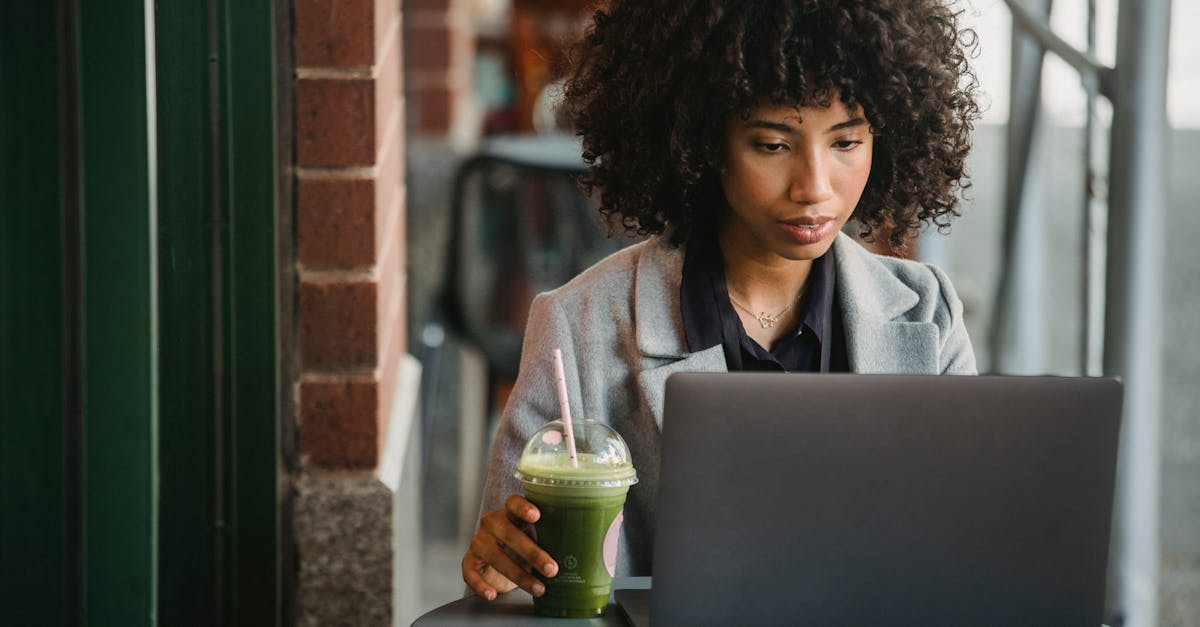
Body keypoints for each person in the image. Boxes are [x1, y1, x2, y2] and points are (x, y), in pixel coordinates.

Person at [463, 0, 981, 601]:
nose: (814, 187)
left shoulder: (926, 312)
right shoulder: (578, 327)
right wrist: (504, 566)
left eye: (845, 143)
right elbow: (520, 585)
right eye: (772, 144)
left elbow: (960, 556)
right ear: (703, 141)